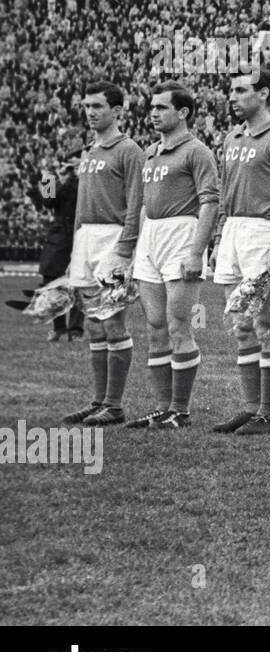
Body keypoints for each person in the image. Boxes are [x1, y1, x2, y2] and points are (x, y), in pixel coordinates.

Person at [210, 67, 270, 436]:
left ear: (263, 94)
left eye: (240, 90)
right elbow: (224, 192)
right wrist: (219, 238)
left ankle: (269, 413)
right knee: (241, 325)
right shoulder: (232, 137)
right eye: (230, 90)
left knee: (266, 325)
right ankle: (250, 409)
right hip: (234, 230)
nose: (231, 96)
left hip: (264, 233)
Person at [126, 81, 221, 430]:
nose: (153, 113)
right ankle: (162, 407)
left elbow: (210, 201)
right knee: (155, 327)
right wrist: (136, 245)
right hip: (151, 233)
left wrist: (197, 252)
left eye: (161, 107)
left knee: (179, 324)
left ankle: (180, 410)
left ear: (182, 112)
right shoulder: (150, 152)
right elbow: (142, 204)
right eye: (151, 107)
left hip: (182, 233)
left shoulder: (197, 151)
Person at [63, 82, 144, 427]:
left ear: (117, 111)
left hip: (113, 239)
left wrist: (124, 249)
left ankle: (114, 404)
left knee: (113, 322)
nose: (91, 112)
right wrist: (74, 250)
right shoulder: (88, 152)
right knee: (94, 326)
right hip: (86, 239)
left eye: (97, 106)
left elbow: (137, 203)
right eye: (87, 106)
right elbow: (81, 206)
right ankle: (98, 400)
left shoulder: (128, 150)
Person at [30, 146, 83, 342]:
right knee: (52, 281)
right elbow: (48, 201)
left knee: (79, 283)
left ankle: (76, 329)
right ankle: (58, 327)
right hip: (58, 236)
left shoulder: (87, 178)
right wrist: (52, 178)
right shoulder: (54, 179)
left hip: (80, 234)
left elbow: (85, 197)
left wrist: (78, 175)